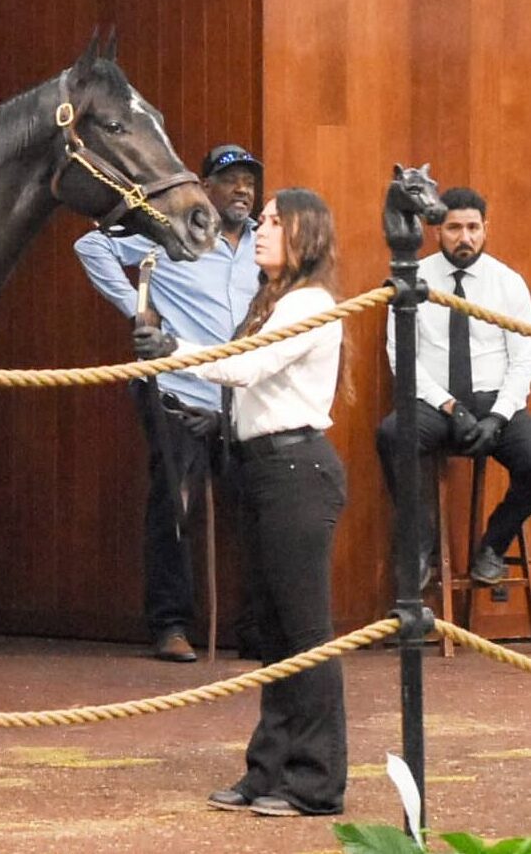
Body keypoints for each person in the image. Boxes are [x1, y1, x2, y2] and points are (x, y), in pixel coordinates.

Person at [134, 189, 346, 818]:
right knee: (274, 632)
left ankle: (317, 783)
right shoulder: (272, 300)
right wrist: (219, 421)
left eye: (276, 221)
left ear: (305, 233)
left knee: (305, 633)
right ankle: (269, 770)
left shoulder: (310, 303)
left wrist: (173, 351)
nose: (262, 227)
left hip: (295, 471)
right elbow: (254, 386)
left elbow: (250, 368)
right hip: (263, 466)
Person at [75, 143, 263, 663]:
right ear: (205, 187)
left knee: (260, 501)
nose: (242, 190)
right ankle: (170, 624)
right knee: (175, 504)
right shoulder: (173, 229)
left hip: (240, 396)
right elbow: (92, 245)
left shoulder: (262, 242)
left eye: (249, 181)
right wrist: (138, 309)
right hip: (178, 388)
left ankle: (255, 626)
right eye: (231, 180)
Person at [376, 187, 531, 590]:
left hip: (494, 401)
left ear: (485, 228)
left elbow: (523, 361)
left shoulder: (508, 283)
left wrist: (498, 416)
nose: (465, 237)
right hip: (436, 403)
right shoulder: (413, 280)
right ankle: (420, 546)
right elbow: (402, 358)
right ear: (436, 231)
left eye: (473, 228)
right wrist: (450, 406)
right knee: (392, 435)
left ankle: (493, 546)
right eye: (454, 228)